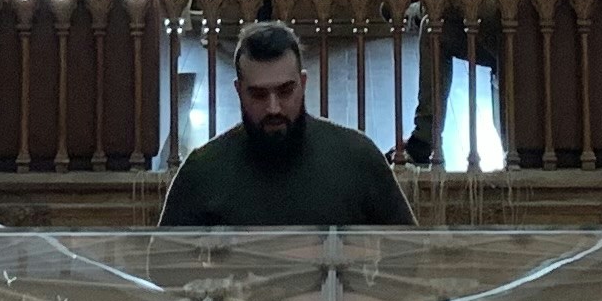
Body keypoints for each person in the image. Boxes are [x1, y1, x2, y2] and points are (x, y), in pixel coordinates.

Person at [159, 21, 413, 226]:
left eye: (285, 91)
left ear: (302, 84)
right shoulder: (202, 172)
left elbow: (410, 256)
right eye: (258, 95)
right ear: (239, 91)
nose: (273, 108)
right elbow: (164, 271)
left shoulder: (358, 159)